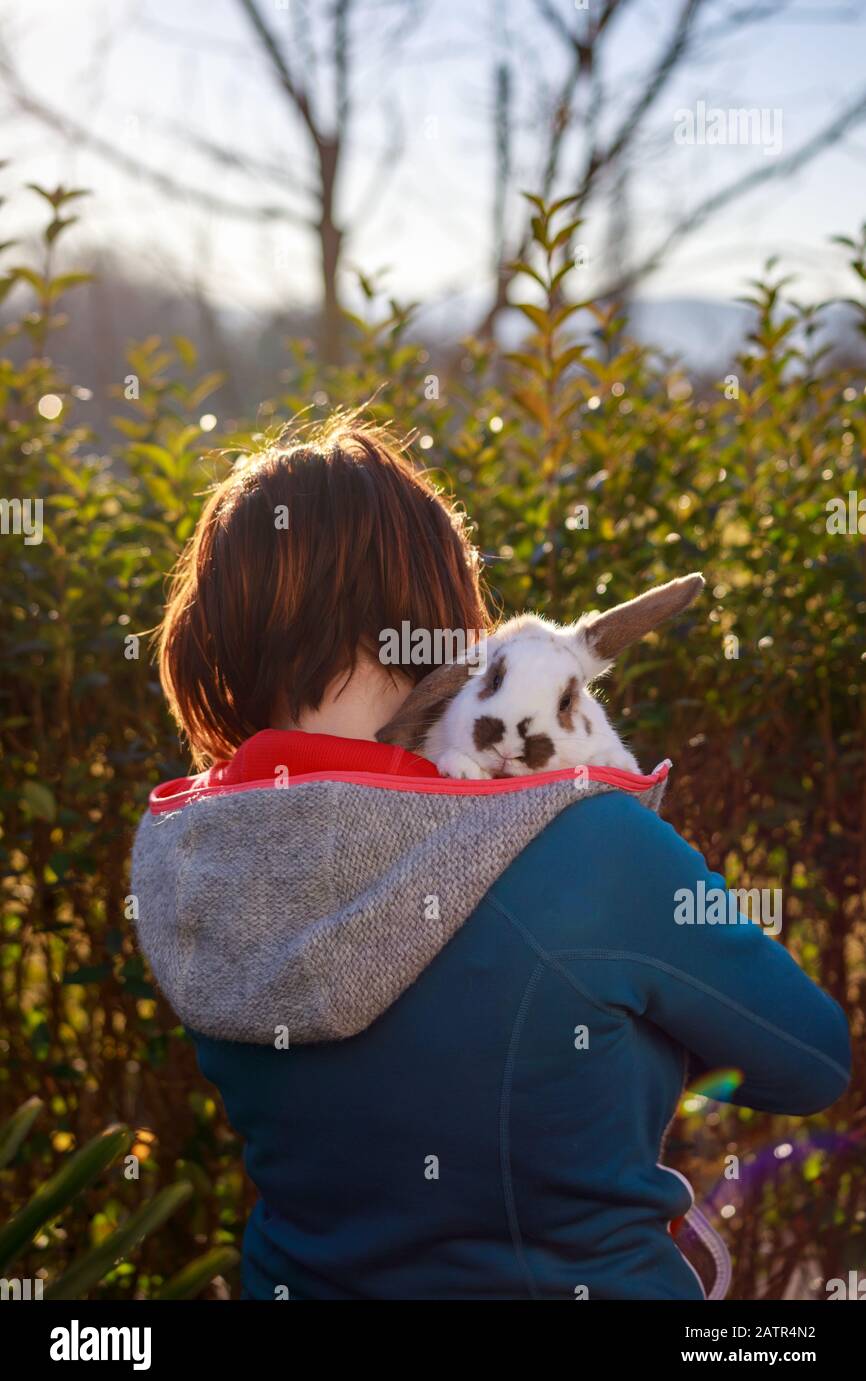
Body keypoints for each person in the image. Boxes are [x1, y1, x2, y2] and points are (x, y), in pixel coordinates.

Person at [132, 418, 850, 1301]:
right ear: (441, 613)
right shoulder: (584, 845)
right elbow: (811, 1061)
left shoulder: (197, 861)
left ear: (212, 642)